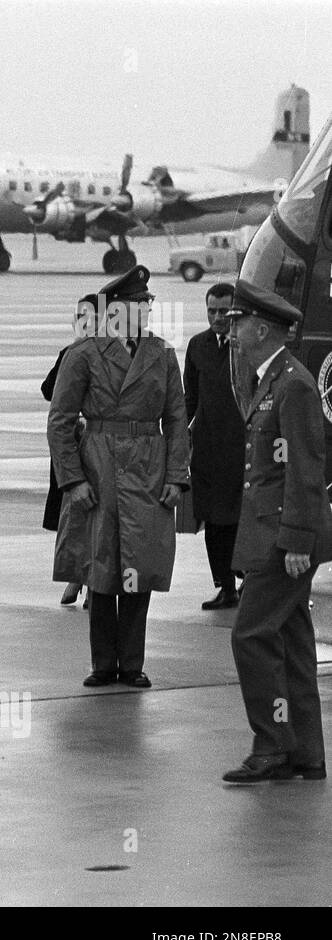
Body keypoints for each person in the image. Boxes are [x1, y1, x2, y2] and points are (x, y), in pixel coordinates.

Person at [48, 266, 190, 688]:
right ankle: (102, 663)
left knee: (140, 565)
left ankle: (132, 663)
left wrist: (176, 476)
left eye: (147, 304)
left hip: (148, 464)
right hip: (100, 464)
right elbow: (59, 421)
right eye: (138, 304)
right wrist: (73, 480)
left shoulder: (162, 354)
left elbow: (178, 419)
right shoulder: (84, 354)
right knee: (102, 566)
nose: (146, 310)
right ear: (116, 310)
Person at [222, 280, 330, 782]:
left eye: (238, 322)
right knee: (290, 639)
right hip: (274, 534)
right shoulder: (274, 378)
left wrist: (295, 541)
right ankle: (304, 751)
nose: (231, 329)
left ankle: (271, 745)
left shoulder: (294, 385)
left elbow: (305, 470)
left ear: (261, 328)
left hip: (281, 539)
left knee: (251, 635)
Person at [182, 282, 245, 610]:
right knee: (212, 519)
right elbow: (189, 397)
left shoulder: (247, 345)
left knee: (241, 517)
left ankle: (247, 578)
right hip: (207, 448)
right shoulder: (197, 346)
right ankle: (224, 584)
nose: (217, 317)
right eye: (212, 311)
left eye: (224, 311)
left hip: (241, 447)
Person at [43, 293, 98, 607]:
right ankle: (77, 576)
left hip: (97, 443)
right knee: (74, 515)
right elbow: (48, 389)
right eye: (80, 317)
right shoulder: (71, 352)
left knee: (95, 514)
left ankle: (89, 580)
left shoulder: (111, 355)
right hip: (73, 443)